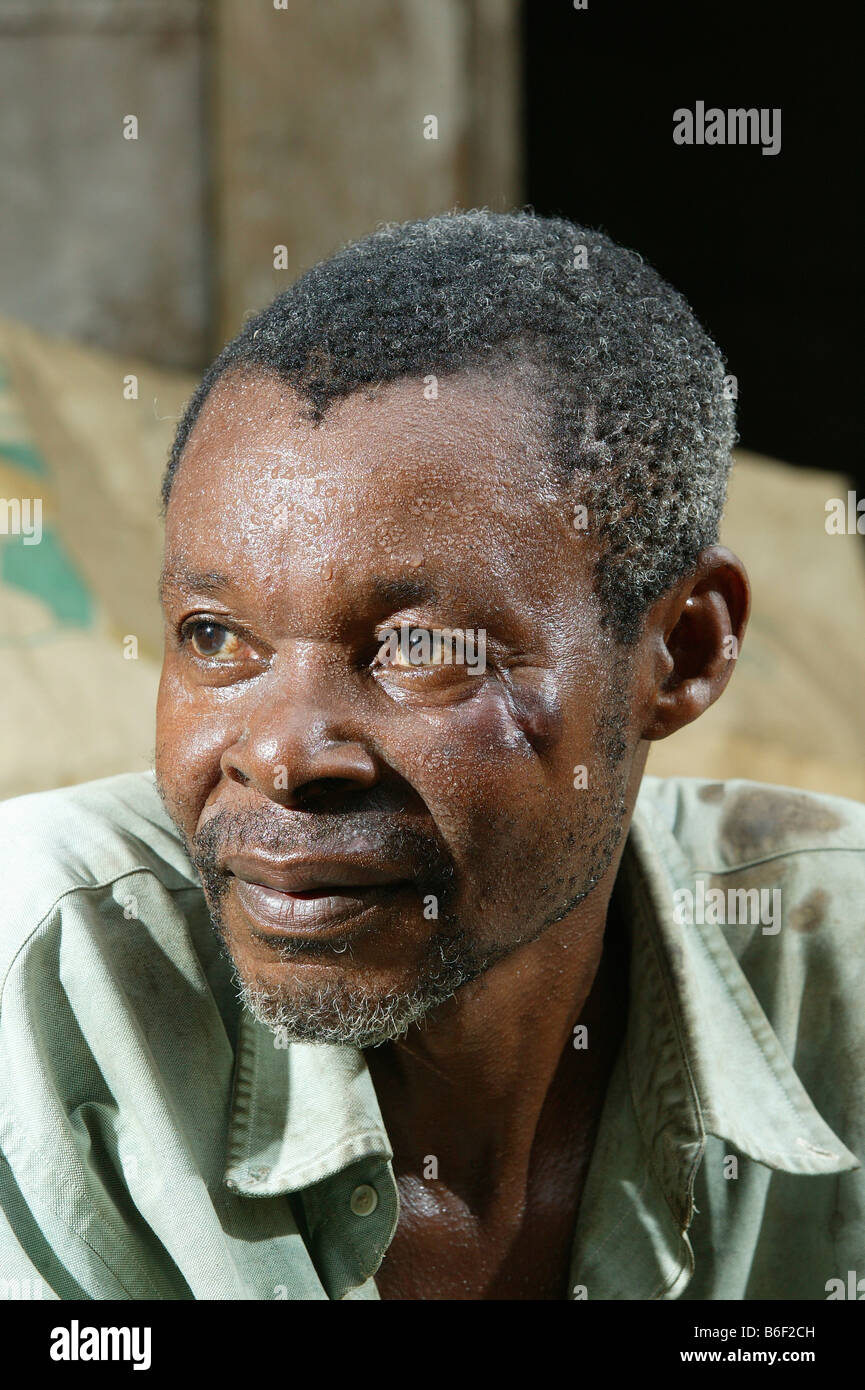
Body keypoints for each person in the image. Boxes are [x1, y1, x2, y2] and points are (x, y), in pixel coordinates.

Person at [1, 211, 862, 1301]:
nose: (280, 753)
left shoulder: (836, 965)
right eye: (217, 637)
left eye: (422, 649)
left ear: (679, 651)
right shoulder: (44, 989)